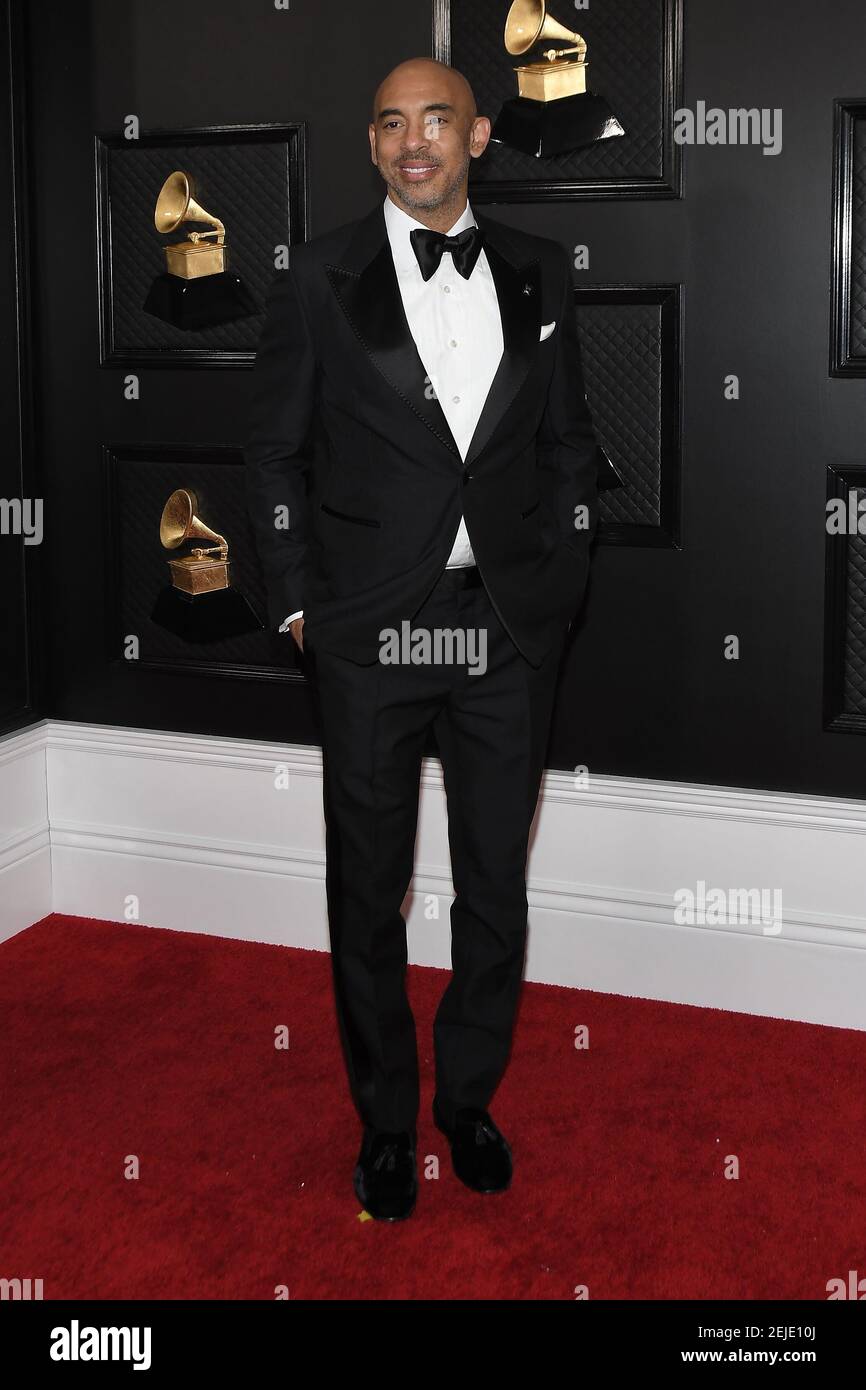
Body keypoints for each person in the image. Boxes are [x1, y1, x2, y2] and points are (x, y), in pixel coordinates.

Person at [244, 56, 599, 1220]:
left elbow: (564, 445)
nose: (412, 143)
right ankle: (388, 1119)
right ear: (372, 143)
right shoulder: (315, 275)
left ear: (479, 134)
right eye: (391, 124)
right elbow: (273, 454)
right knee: (368, 888)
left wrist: (554, 583)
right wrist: (300, 605)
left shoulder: (541, 274)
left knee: (495, 882)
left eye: (435, 120)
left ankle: (469, 1100)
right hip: (367, 633)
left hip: (499, 630)